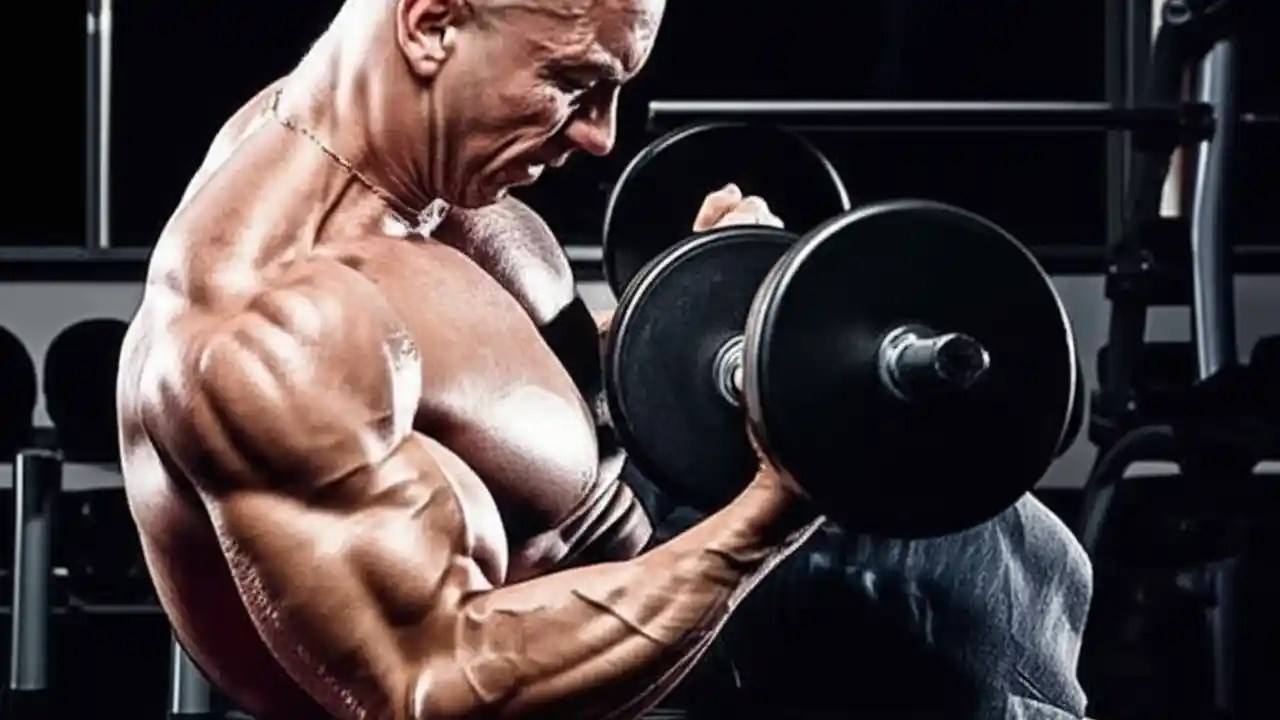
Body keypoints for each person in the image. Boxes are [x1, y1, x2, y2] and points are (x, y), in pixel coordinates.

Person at [117, 0, 1095, 718]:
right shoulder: (267, 327)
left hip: (638, 556)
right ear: (429, 24)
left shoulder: (405, 160)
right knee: (960, 587)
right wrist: (776, 510)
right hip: (557, 679)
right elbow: (429, 687)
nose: (601, 136)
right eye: (572, 85)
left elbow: (500, 394)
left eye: (616, 88)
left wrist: (702, 314)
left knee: (1001, 526)